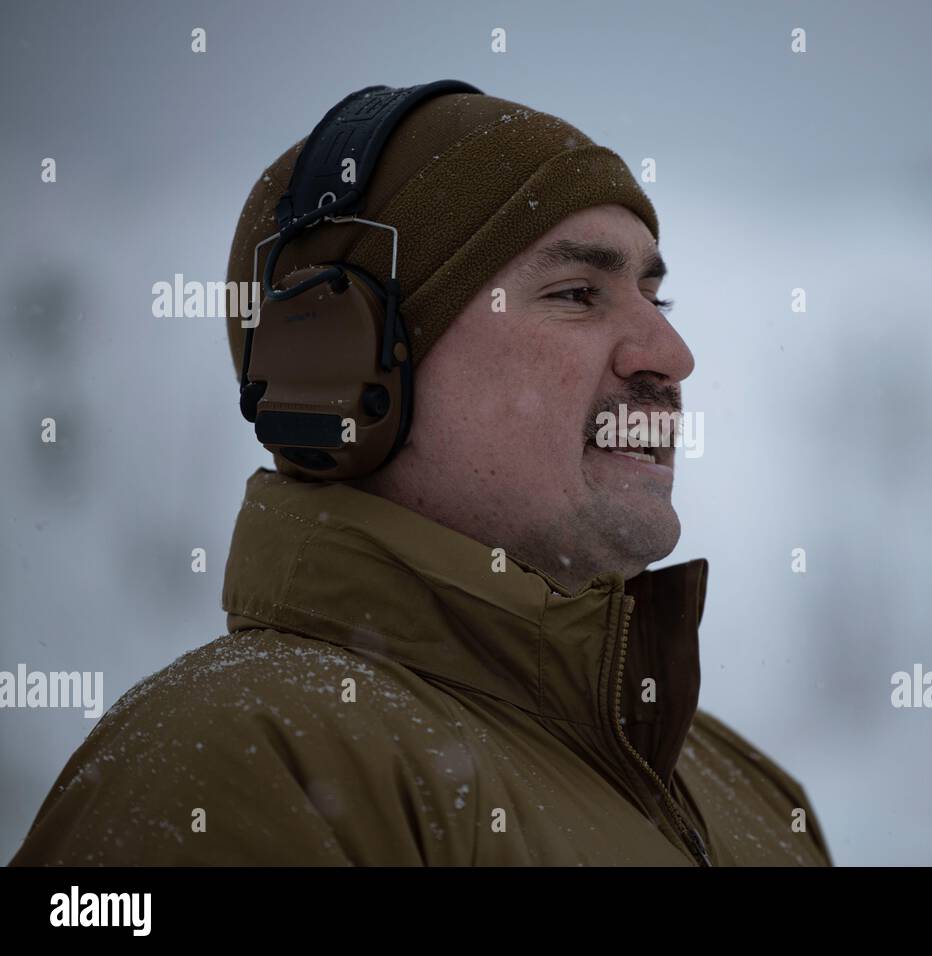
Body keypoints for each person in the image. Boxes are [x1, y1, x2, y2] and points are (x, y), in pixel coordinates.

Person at [9, 84, 832, 866]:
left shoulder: (741, 787)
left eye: (660, 300)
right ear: (340, 363)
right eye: (578, 293)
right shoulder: (238, 762)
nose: (671, 356)